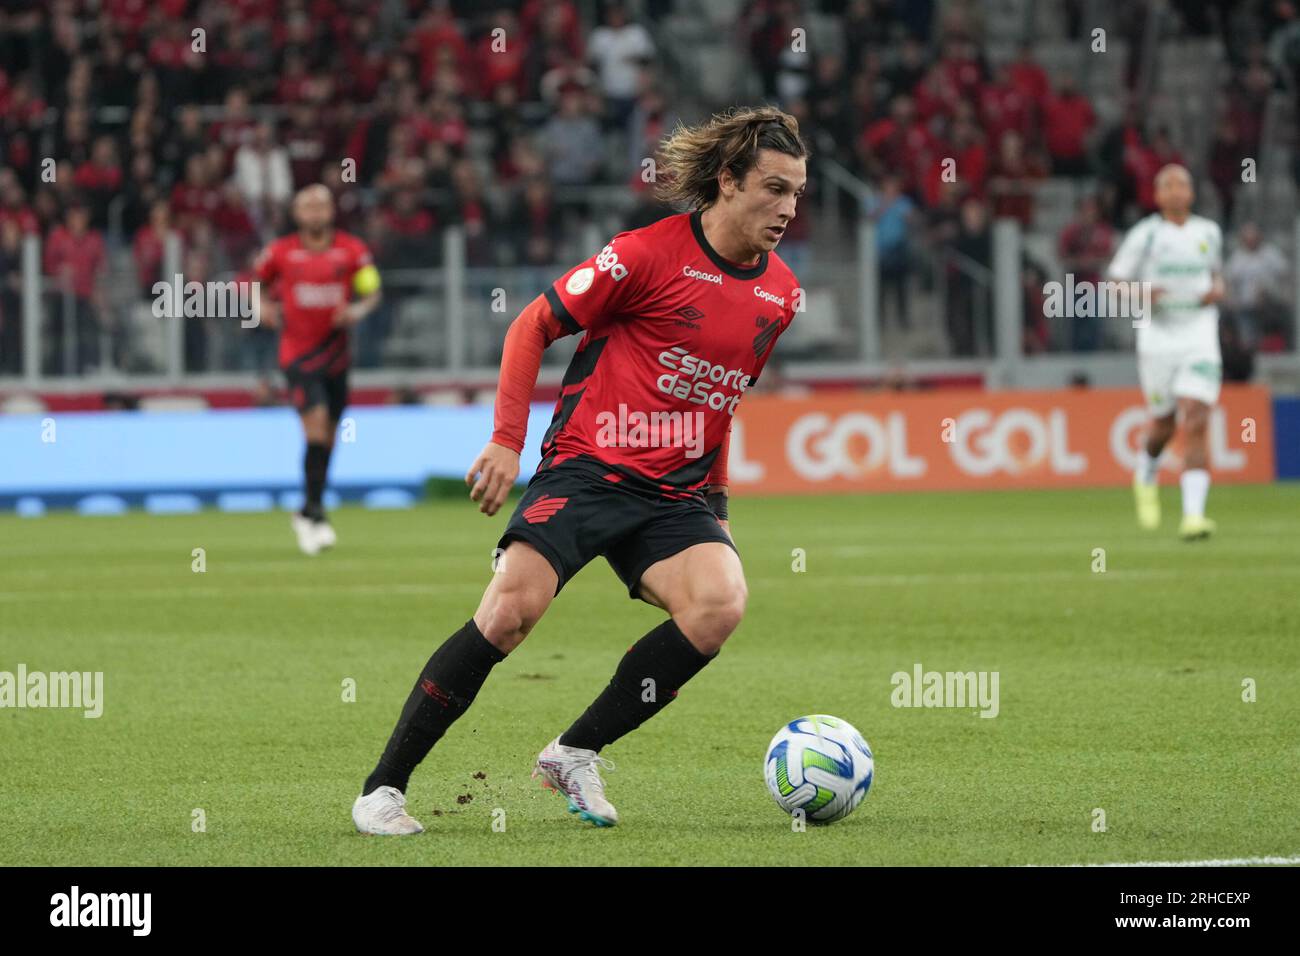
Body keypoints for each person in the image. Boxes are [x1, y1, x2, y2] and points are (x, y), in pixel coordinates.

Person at [352, 106, 806, 834]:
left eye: (796, 194)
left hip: (672, 493)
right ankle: (383, 789)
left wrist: (715, 503)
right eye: (774, 189)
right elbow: (531, 323)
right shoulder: (644, 255)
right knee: (507, 615)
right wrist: (507, 439)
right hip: (587, 468)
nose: (787, 209)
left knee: (720, 604)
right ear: (727, 181)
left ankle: (574, 751)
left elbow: (721, 400)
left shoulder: (780, 294)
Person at [253, 184, 381, 554]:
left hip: (337, 357)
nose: (315, 212)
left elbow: (371, 291)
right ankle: (314, 512)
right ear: (297, 213)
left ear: (330, 211)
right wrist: (261, 307)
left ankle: (308, 509)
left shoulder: (352, 251)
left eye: (321, 205)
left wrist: (356, 311)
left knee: (328, 434)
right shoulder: (280, 252)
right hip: (297, 356)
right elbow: (255, 286)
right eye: (307, 206)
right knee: (316, 424)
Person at [1107, 165, 1224, 540]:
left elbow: (1216, 274)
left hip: (1199, 332)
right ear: (1156, 196)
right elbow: (1114, 283)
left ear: (1191, 194)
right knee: (1163, 424)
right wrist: (1140, 293)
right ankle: (1146, 469)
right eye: (1167, 186)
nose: (1175, 191)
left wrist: (1216, 290)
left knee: (1196, 417)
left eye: (1182, 185)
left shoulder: (1209, 232)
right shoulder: (1146, 235)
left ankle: (1193, 516)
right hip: (1157, 336)